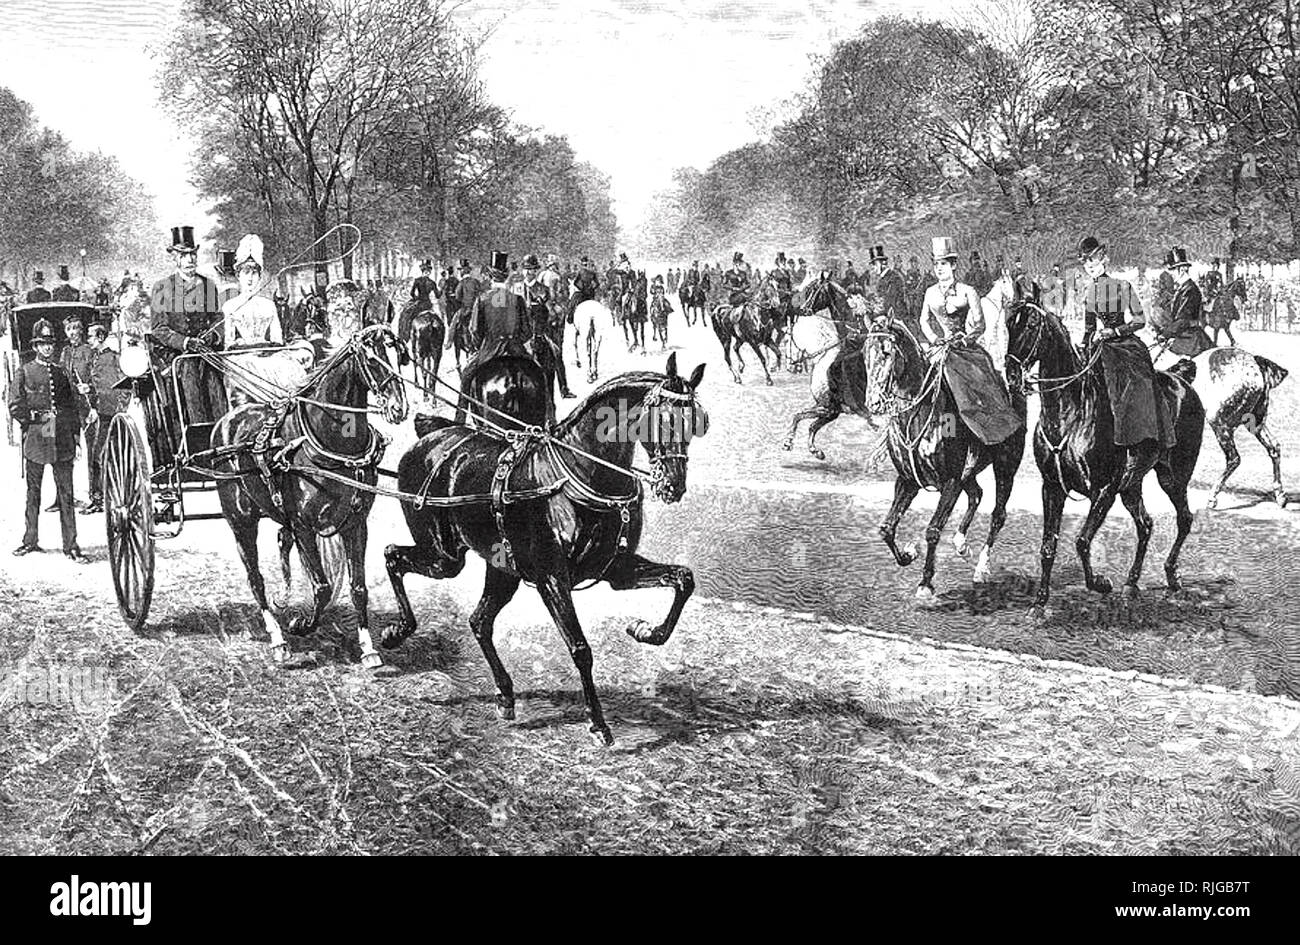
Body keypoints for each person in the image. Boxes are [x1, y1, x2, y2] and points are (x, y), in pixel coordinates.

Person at [917, 237, 1022, 446]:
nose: (939, 269)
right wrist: (935, 339)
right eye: (936, 264)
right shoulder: (930, 293)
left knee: (971, 387)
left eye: (944, 264)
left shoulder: (968, 291)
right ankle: (930, 431)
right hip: (939, 347)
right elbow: (924, 320)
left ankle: (968, 436)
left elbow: (979, 325)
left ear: (954, 265)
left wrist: (964, 340)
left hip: (964, 349)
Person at [1074, 236, 1174, 450]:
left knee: (1136, 384)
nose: (1089, 266)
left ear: (1104, 260)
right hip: (1098, 346)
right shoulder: (1089, 291)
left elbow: (1140, 320)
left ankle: (1139, 438)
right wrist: (1084, 345)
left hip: (1124, 345)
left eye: (1093, 260)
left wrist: (1114, 331)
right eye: (1086, 262)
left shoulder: (1123, 286)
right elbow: (1089, 328)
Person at [8, 320, 86, 561]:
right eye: (43, 344)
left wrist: (75, 436)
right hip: (38, 434)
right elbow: (14, 403)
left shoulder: (62, 372)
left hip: (61, 436)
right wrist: (30, 418)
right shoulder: (25, 370)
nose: (48, 348)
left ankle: (71, 545)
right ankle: (30, 540)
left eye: (50, 343)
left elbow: (72, 406)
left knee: (66, 492)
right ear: (36, 346)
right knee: (34, 492)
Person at [149, 225, 228, 437]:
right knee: (190, 373)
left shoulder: (208, 285)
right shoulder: (161, 288)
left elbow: (218, 319)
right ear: (175, 258)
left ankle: (224, 433)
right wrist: (185, 343)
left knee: (216, 382)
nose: (190, 260)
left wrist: (213, 334)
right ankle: (198, 437)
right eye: (184, 255)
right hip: (177, 356)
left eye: (193, 254)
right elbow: (158, 329)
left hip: (207, 352)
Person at [220, 234, 312, 406]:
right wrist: (244, 347)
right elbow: (228, 344)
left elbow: (277, 340)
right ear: (238, 274)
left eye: (254, 273)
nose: (250, 278)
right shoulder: (230, 306)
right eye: (245, 272)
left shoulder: (268, 305)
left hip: (268, 354)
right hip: (241, 357)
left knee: (290, 368)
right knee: (246, 369)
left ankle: (289, 411)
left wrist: (271, 348)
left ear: (260, 276)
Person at [457, 251, 546, 424]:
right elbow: (527, 331)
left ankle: (460, 420)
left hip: (490, 350)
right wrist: (515, 341)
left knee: (467, 376)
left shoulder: (482, 299)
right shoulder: (517, 299)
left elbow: (474, 330)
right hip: (516, 350)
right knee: (540, 375)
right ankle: (550, 420)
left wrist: (480, 346)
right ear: (506, 276)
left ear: (490, 277)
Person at [84, 324, 128, 514]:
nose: (88, 340)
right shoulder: (97, 357)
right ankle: (99, 498)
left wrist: (119, 410)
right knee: (98, 456)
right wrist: (89, 393)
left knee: (103, 456)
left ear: (101, 337)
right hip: (101, 412)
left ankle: (103, 498)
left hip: (111, 414)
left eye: (91, 336)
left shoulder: (112, 358)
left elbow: (118, 388)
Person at [1160, 247, 1213, 356]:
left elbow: (1183, 320)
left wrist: (1166, 334)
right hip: (1182, 336)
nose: (1171, 274)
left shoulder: (1190, 290)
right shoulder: (1182, 288)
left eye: (1173, 270)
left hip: (1191, 339)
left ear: (1183, 269)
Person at [869, 244, 918, 341]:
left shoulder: (894, 277)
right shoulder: (881, 279)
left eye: (875, 264)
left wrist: (876, 311)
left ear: (883, 263)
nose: (873, 268)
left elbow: (890, 301)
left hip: (897, 318)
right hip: (885, 317)